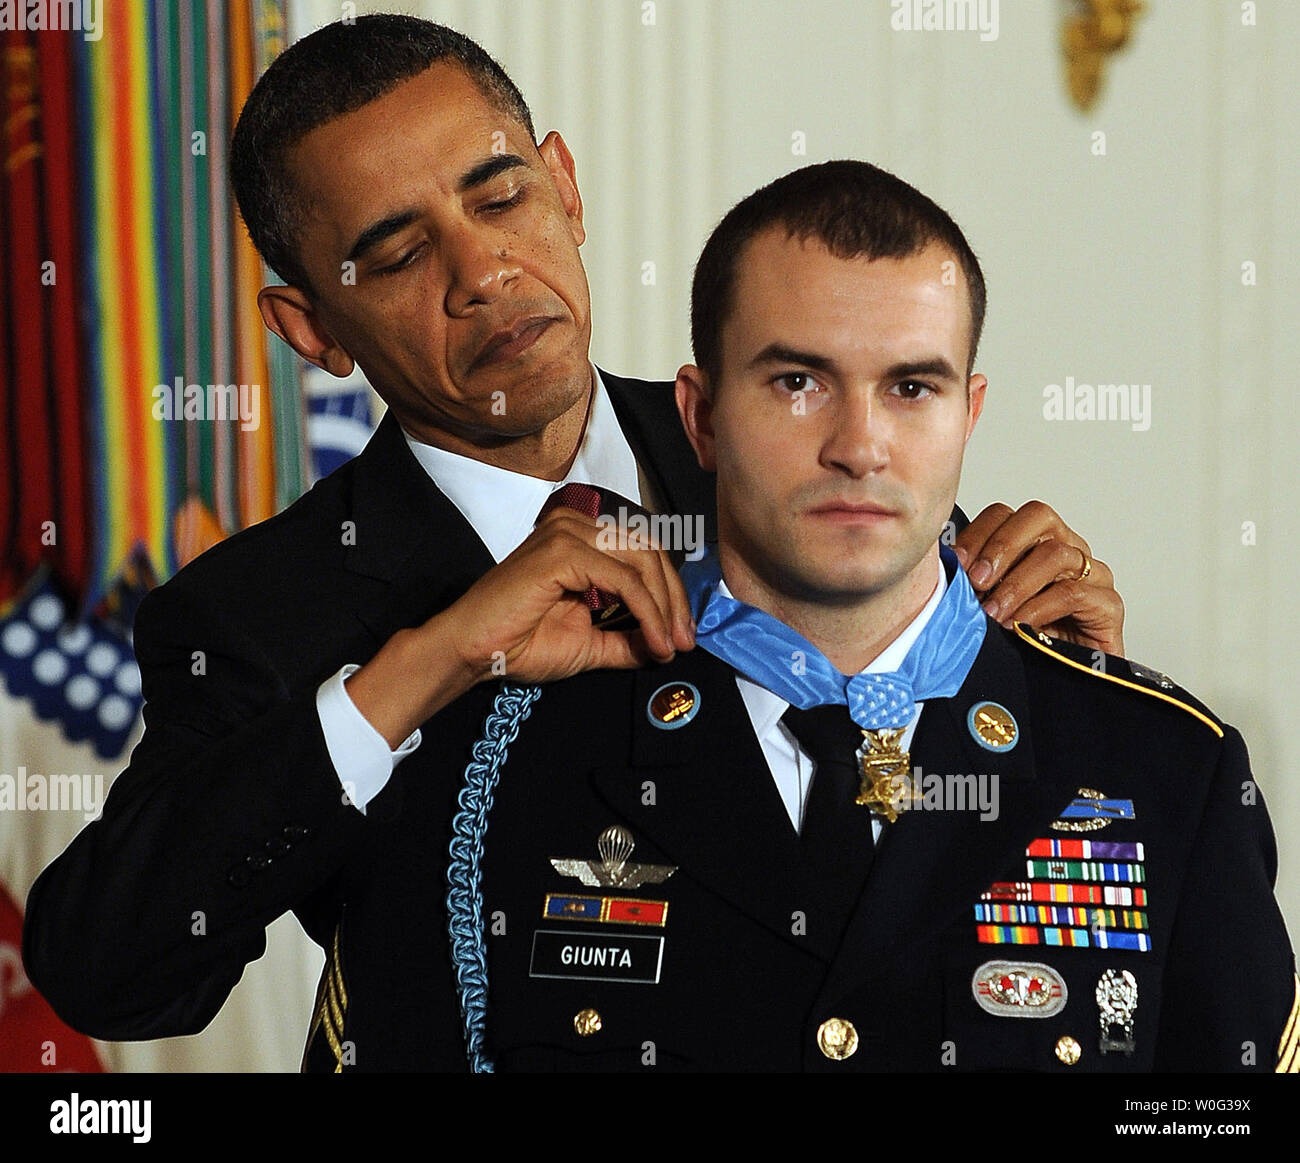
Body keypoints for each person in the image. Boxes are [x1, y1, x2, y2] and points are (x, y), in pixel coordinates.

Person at [22, 16, 1124, 1055]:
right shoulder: (262, 612)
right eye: (400, 255)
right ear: (313, 328)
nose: (483, 273)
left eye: (500, 198)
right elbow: (110, 969)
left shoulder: (804, 456)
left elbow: (989, 885)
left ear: (564, 185)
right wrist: (434, 658)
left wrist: (1073, 693)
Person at [378, 160, 1294, 1073]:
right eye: (798, 383)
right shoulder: (495, 759)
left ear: (969, 415)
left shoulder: (1170, 766)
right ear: (699, 418)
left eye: (911, 388)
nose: (860, 446)